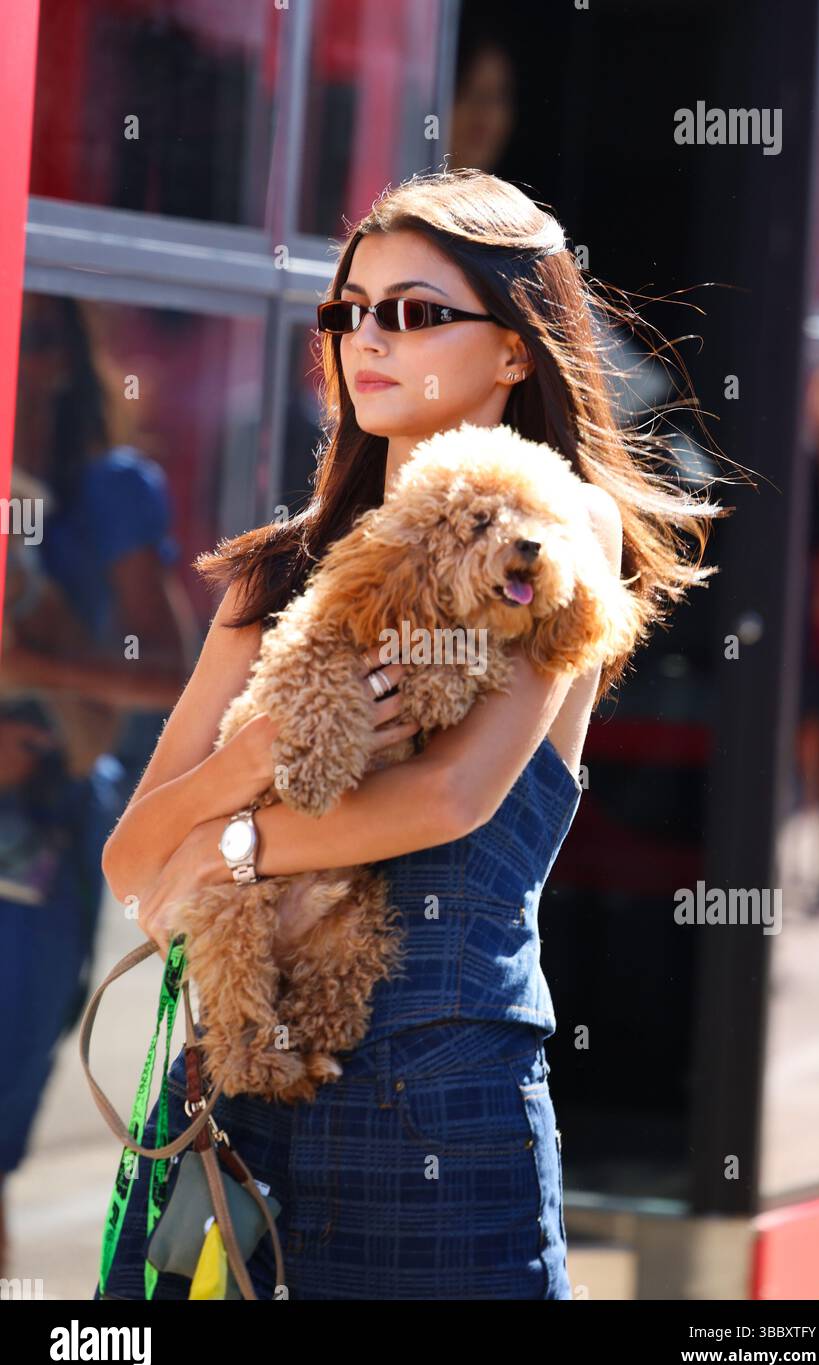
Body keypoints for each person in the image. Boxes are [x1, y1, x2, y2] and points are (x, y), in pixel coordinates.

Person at [94, 168, 729, 1300]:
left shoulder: (551, 530)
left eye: (416, 312)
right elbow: (131, 860)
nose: (368, 339)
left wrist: (229, 847)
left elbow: (449, 799)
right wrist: (236, 773)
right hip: (229, 1104)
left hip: (431, 1107)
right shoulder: (279, 568)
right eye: (351, 311)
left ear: (515, 350)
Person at [0, 293, 192, 1275]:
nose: (19, 361)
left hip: (36, 853)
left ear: (69, 361)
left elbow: (172, 672)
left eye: (35, 340)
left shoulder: (110, 487)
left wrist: (39, 674)